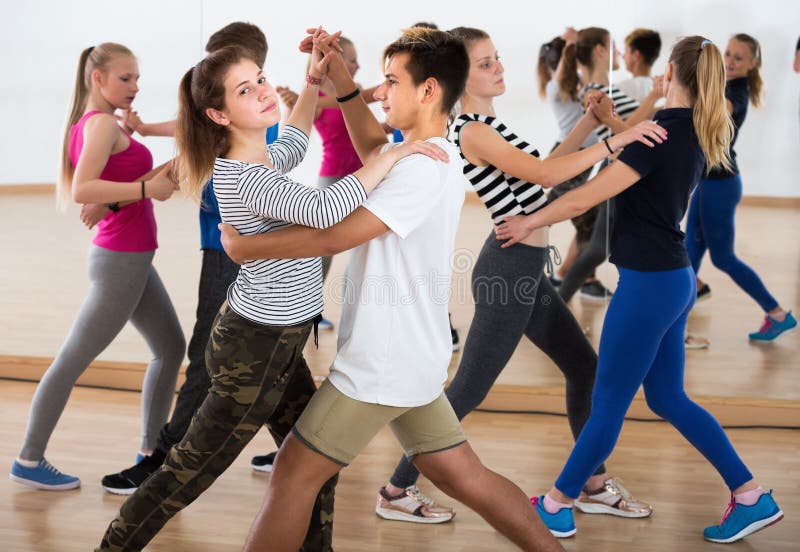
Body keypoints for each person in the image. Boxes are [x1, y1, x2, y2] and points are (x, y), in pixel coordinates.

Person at [96, 32, 446, 551]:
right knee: (186, 475)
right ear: (218, 115)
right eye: (243, 90)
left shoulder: (263, 162)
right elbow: (326, 211)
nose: (261, 90)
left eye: (259, 79)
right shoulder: (243, 178)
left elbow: (296, 139)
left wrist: (310, 82)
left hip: (281, 341)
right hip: (254, 348)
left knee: (313, 463)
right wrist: (390, 156)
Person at [220, 27, 564, 552]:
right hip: (412, 356)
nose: (380, 92)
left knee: (291, 475)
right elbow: (377, 146)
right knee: (465, 478)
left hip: (381, 365)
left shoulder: (421, 170)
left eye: (389, 81)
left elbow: (332, 235)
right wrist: (342, 80)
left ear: (428, 91)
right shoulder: (426, 151)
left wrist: (247, 250)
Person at [497, 35, 785, 544]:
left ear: (670, 74)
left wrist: (529, 222)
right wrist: (613, 125)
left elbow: (584, 197)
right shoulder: (688, 129)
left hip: (649, 286)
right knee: (668, 397)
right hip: (671, 281)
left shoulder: (661, 136)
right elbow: (646, 150)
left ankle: (558, 504)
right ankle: (750, 494)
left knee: (608, 401)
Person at [372, 26, 663, 525]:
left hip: (524, 269)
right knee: (466, 390)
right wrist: (617, 142)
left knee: (582, 367)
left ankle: (592, 482)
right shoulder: (472, 130)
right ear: (461, 76)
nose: (499, 68)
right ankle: (397, 489)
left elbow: (543, 171)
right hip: (507, 273)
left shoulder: (491, 124)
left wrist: (590, 126)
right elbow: (549, 178)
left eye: (496, 59)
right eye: (486, 63)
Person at [99, 21, 284, 495]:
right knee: (274, 358)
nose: (207, 73)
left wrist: (110, 200)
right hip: (230, 246)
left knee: (208, 350)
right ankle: (300, 449)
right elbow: (190, 135)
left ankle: (163, 457)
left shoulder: (245, 120)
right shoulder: (251, 113)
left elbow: (187, 157)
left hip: (232, 249)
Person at [10, 43, 183, 491]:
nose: (134, 86)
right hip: (120, 261)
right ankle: (29, 458)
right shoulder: (102, 123)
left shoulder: (101, 123)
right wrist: (144, 190)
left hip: (133, 258)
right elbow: (84, 188)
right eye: (125, 78)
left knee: (170, 348)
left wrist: (145, 184)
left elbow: (123, 186)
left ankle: (150, 452)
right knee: (72, 360)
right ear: (98, 79)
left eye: (137, 78)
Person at [686, 33, 796, 341]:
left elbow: (717, 110)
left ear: (753, 64)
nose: (730, 61)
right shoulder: (725, 86)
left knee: (721, 258)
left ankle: (777, 314)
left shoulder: (738, 92)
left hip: (720, 186)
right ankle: (676, 322)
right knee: (687, 255)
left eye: (738, 57)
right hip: (708, 183)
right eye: (728, 53)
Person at [555, 26, 664, 303]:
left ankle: (558, 302)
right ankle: (557, 303)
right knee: (597, 249)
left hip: (622, 171)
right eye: (613, 47)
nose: (618, 53)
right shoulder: (595, 92)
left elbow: (634, 124)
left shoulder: (606, 89)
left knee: (598, 249)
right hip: (617, 171)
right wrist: (654, 98)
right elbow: (627, 130)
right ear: (600, 51)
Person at [617, 28, 662, 101]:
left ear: (636, 55)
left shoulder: (621, 89)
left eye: (626, 51)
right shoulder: (663, 90)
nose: (623, 56)